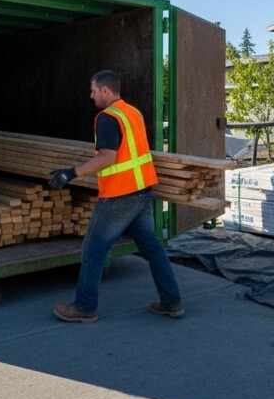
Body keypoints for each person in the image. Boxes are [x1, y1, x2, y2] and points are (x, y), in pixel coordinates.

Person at [47, 69, 184, 323]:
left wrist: (71, 173)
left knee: (93, 249)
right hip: (142, 191)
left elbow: (108, 157)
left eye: (93, 90)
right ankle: (171, 302)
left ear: (105, 91)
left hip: (120, 195)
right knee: (153, 249)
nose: (91, 95)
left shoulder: (107, 117)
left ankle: (85, 307)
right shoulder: (132, 112)